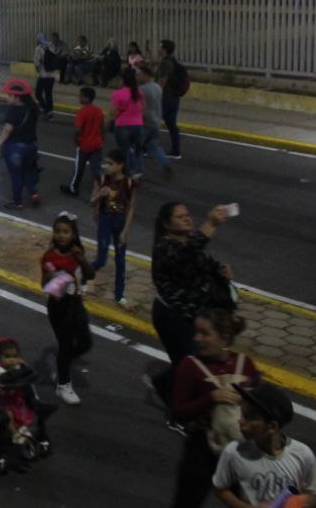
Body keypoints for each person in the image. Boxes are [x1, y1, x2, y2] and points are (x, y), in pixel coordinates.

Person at [150, 202, 237, 413]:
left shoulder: (186, 240)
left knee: (190, 362)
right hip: (173, 316)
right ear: (166, 224)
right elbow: (187, 254)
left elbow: (204, 261)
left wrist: (222, 270)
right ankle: (179, 412)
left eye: (188, 215)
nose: (187, 219)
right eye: (180, 217)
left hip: (194, 314)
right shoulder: (164, 248)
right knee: (191, 367)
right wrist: (210, 223)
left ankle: (164, 384)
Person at [170, 309, 260, 508]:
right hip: (201, 449)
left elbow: (260, 406)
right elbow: (179, 411)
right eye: (197, 332)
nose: (197, 338)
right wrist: (211, 397)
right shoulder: (189, 367)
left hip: (238, 448)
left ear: (224, 338)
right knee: (187, 501)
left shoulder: (245, 366)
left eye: (205, 333)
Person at [212, 383, 316, 508]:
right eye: (242, 414)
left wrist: (298, 503)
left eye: (250, 417)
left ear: (272, 427)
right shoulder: (233, 451)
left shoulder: (303, 454)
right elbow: (220, 489)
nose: (240, 420)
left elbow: (313, 495)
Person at [40, 212, 95, 405]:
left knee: (86, 342)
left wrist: (81, 259)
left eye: (66, 231)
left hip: (76, 304)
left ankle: (63, 364)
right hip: (58, 307)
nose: (61, 235)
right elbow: (43, 285)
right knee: (65, 345)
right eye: (58, 231)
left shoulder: (78, 251)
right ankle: (63, 385)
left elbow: (90, 274)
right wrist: (50, 277)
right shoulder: (49, 256)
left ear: (73, 234)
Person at [88, 149, 137, 305]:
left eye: (110, 163)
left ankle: (119, 295)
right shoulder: (101, 179)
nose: (106, 166)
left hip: (120, 221)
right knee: (101, 259)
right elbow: (91, 203)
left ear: (120, 165)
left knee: (120, 261)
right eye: (105, 163)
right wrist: (100, 195)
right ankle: (86, 274)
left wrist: (125, 231)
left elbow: (131, 208)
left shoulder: (129, 183)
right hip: (105, 220)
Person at [0, 78, 40, 209]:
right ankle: (33, 193)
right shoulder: (33, 108)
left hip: (16, 148)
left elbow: (7, 130)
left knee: (16, 175)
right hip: (32, 145)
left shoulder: (13, 111)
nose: (7, 98)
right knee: (28, 170)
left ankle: (18, 202)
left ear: (17, 97)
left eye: (10, 96)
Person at [60, 86, 104, 197]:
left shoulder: (82, 112)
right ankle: (99, 188)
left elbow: (77, 129)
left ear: (87, 98)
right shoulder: (98, 111)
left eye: (81, 96)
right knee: (96, 169)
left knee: (79, 168)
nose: (79, 98)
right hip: (97, 143)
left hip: (84, 144)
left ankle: (73, 188)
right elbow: (103, 127)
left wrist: (76, 139)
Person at [138, 65, 174, 179]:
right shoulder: (158, 87)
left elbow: (140, 108)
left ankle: (140, 170)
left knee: (137, 147)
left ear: (146, 75)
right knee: (154, 146)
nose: (138, 77)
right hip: (156, 121)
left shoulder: (142, 90)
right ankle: (165, 163)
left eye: (140, 75)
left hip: (145, 123)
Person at [109, 67, 146, 178]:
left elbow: (113, 113)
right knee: (137, 150)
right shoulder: (139, 92)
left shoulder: (118, 94)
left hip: (123, 125)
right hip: (138, 125)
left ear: (123, 80)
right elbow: (143, 111)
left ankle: (130, 171)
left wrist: (107, 124)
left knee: (125, 150)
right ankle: (139, 170)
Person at [156, 40, 185, 160]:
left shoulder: (165, 63)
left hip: (165, 97)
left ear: (164, 49)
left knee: (150, 121)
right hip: (174, 97)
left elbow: (162, 81)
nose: (158, 48)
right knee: (171, 124)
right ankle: (176, 151)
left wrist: (154, 95)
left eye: (159, 46)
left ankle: (144, 148)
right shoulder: (172, 61)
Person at [33, 33, 62, 117]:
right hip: (52, 75)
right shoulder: (52, 47)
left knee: (38, 94)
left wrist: (38, 71)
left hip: (43, 75)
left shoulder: (38, 48)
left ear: (38, 40)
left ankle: (46, 110)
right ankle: (50, 111)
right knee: (48, 94)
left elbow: (37, 63)